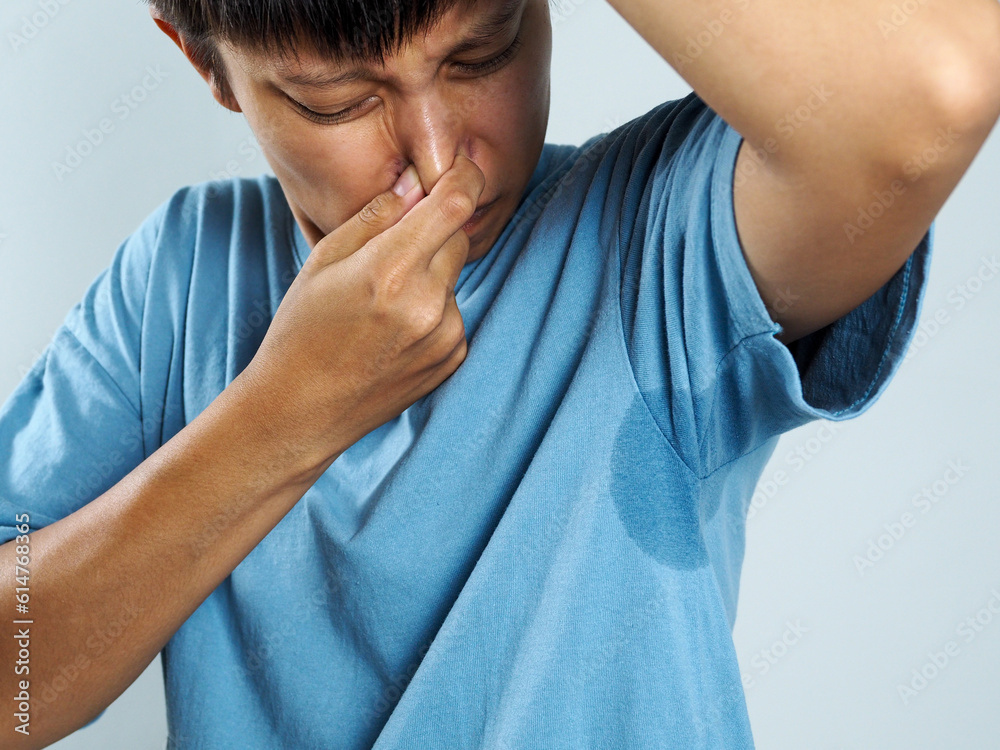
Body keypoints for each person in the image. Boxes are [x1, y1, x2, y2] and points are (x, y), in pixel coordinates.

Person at [1, 0, 997, 747]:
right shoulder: (174, 280)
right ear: (203, 62)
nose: (440, 164)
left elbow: (932, 102)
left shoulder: (657, 239)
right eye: (339, 99)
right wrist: (282, 417)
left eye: (483, 52)